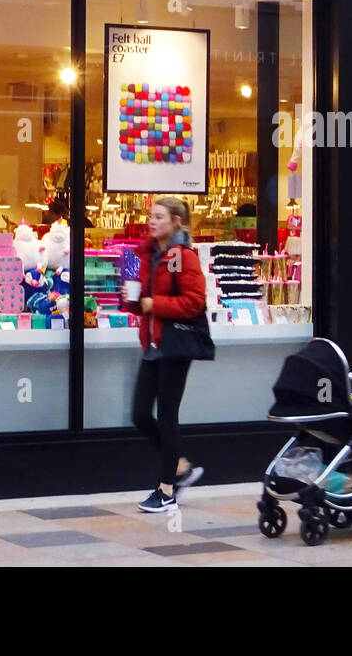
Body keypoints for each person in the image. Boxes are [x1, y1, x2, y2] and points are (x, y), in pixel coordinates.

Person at [120, 196, 207, 512]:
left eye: (159, 216)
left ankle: (166, 490)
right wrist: (129, 299)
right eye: (150, 216)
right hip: (153, 345)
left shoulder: (184, 256)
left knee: (168, 415)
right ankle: (181, 466)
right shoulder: (144, 253)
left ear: (175, 222)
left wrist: (155, 305)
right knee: (140, 414)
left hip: (175, 346)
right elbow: (136, 300)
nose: (151, 221)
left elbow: (194, 302)